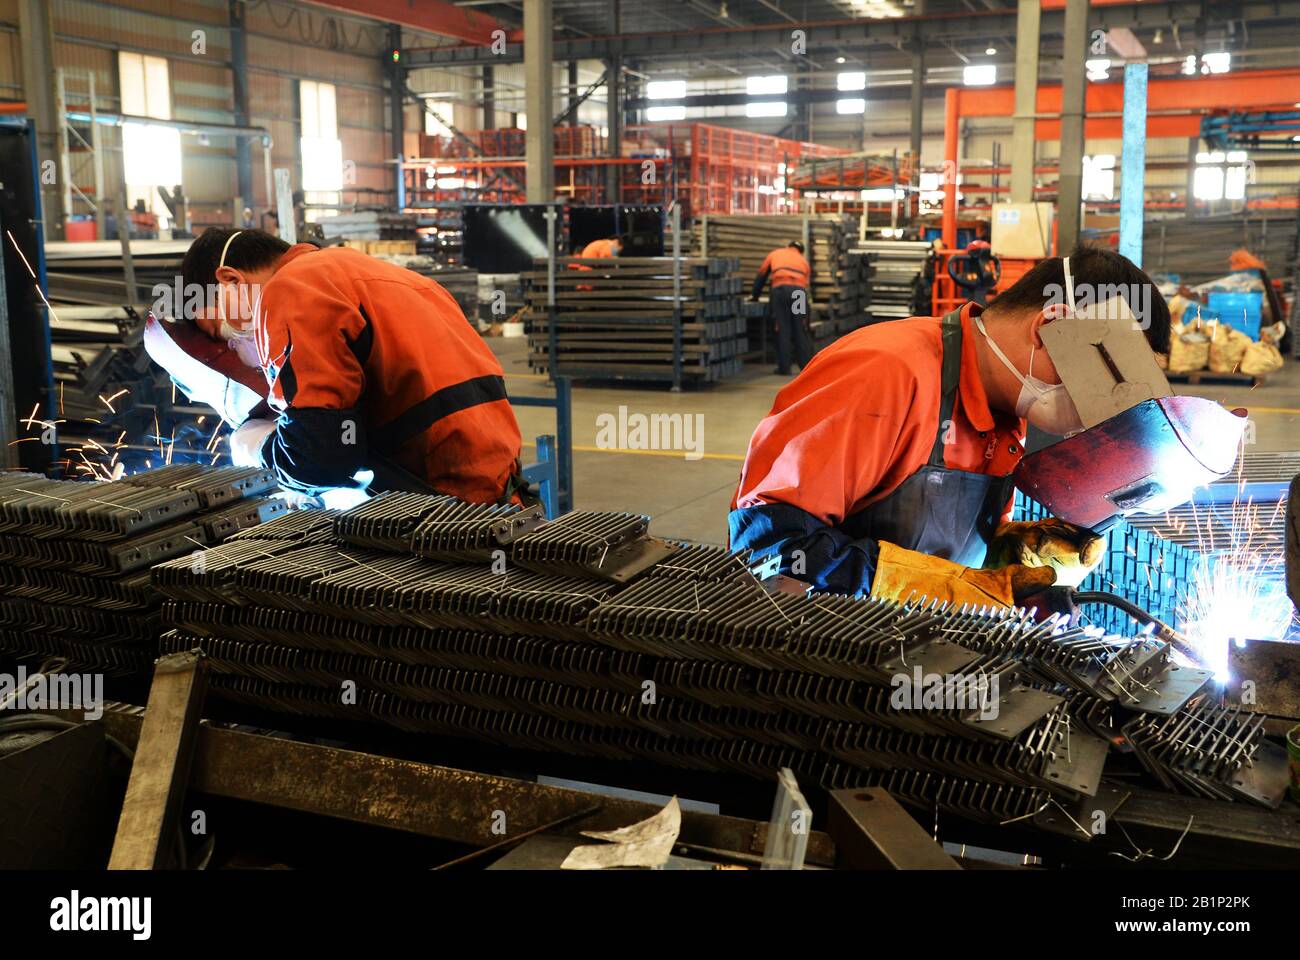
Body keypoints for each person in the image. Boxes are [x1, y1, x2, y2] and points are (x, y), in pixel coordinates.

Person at [728, 246, 1173, 608]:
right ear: (1049, 327)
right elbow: (769, 547)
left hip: (911, 657)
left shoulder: (1007, 411)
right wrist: (933, 588)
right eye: (1102, 382)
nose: (1099, 410)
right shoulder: (888, 371)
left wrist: (1011, 559)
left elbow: (945, 553)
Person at [162, 228, 525, 504]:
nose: (234, 343)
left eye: (220, 329)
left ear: (230, 280)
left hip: (439, 508)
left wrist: (261, 448)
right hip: (499, 488)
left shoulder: (291, 288)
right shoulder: (380, 273)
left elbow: (320, 458)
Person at [751, 240, 813, 375]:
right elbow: (806, 286)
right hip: (799, 293)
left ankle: (784, 368)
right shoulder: (803, 261)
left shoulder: (776, 254)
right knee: (799, 329)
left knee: (782, 328)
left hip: (781, 290)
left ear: (787, 247)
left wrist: (755, 296)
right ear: (800, 251)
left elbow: (761, 276)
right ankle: (806, 368)